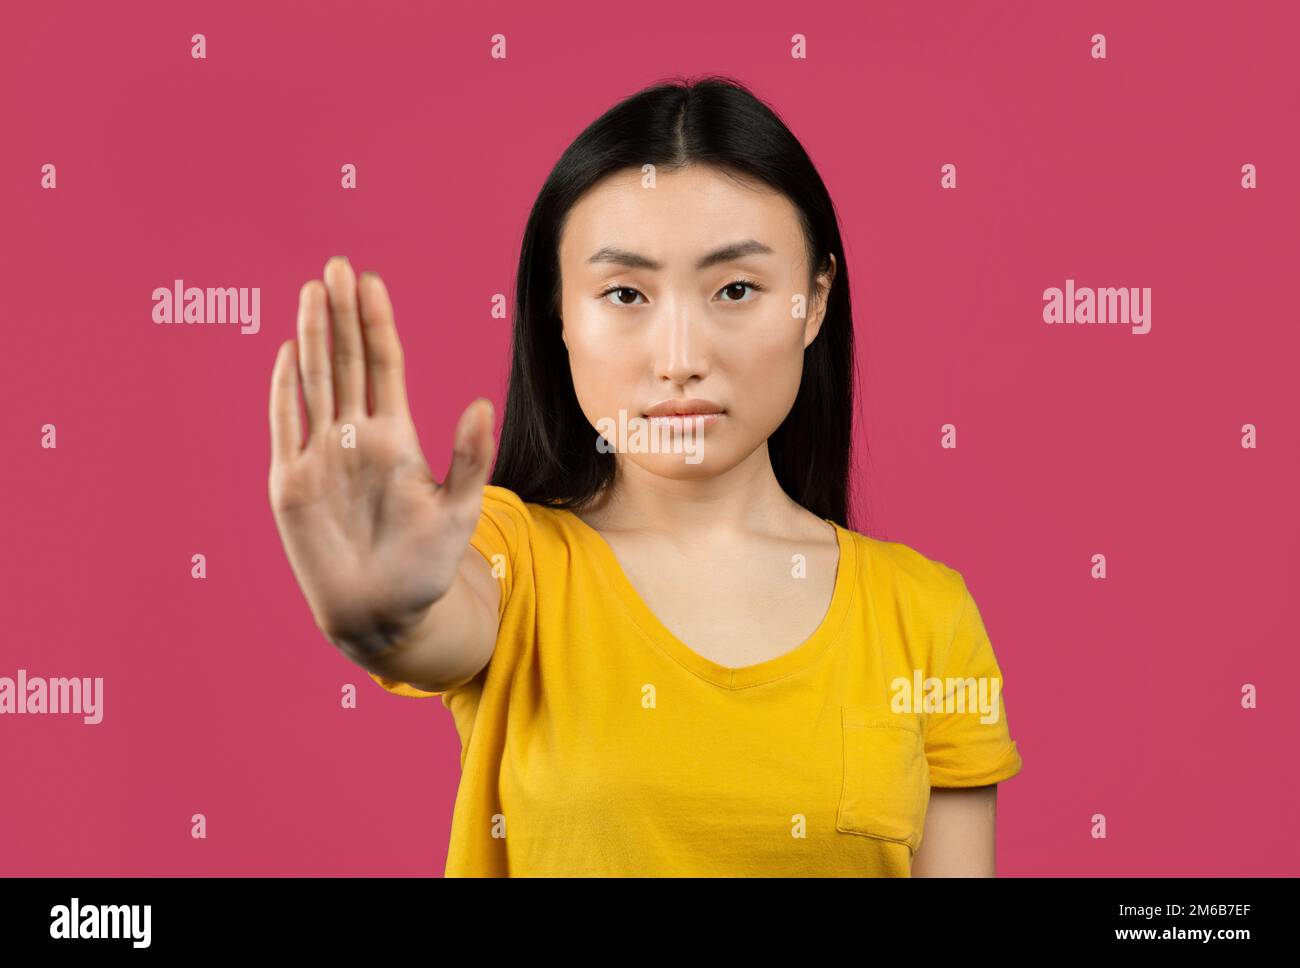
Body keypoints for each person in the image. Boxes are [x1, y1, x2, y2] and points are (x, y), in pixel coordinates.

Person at [267, 75, 1024, 877]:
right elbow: (433, 626)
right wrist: (382, 616)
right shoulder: (513, 559)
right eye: (625, 293)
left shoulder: (928, 617)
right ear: (559, 314)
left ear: (814, 299)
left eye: (736, 289)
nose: (680, 359)